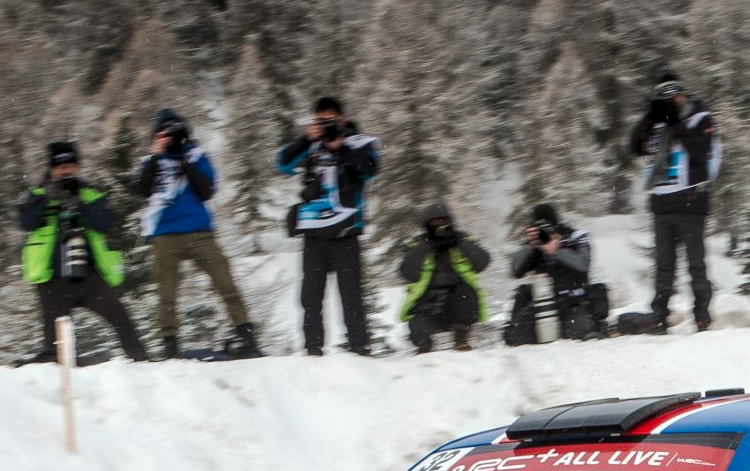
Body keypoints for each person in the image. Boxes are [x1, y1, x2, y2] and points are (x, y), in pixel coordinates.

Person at [134, 108, 260, 359]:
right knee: (165, 293)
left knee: (226, 283)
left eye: (175, 133)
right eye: (165, 134)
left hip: (200, 232)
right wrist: (158, 156)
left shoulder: (197, 156)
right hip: (165, 233)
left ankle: (246, 336)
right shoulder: (150, 162)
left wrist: (184, 160)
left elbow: (206, 191)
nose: (171, 138)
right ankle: (170, 345)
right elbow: (140, 189)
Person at [18, 142, 148, 363]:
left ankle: (142, 361)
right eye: (60, 167)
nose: (66, 170)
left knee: (120, 316)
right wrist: (48, 199)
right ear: (51, 169)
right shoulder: (38, 194)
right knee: (56, 339)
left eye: (70, 165)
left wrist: (80, 204)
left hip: (89, 277)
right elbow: (27, 222)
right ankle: (60, 374)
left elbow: (104, 223)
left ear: (78, 168)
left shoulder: (91, 193)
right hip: (54, 279)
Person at [277, 96, 380, 357]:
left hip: (346, 232)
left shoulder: (358, 143)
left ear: (343, 119)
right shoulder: (312, 146)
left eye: (331, 120)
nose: (327, 126)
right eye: (321, 121)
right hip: (314, 234)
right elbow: (282, 164)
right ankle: (313, 349)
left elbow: (370, 170)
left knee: (351, 295)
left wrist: (341, 147)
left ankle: (360, 348)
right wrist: (307, 139)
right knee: (310, 297)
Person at [628, 73, 722, 333]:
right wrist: (650, 115)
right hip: (661, 203)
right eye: (665, 97)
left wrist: (676, 122)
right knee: (664, 266)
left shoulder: (700, 117)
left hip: (691, 200)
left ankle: (702, 317)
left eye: (675, 94)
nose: (672, 100)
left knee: (696, 263)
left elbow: (701, 153)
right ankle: (659, 316)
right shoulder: (655, 123)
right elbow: (634, 147)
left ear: (683, 93)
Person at [399, 202, 491, 352]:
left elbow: (482, 262)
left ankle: (461, 336)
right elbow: (408, 272)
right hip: (428, 303)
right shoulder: (416, 244)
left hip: (458, 302)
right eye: (432, 223)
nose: (437, 226)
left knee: (464, 294)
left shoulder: (463, 239)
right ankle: (427, 346)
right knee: (418, 329)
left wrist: (458, 242)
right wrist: (427, 244)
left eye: (441, 221)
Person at [509, 203, 599, 341]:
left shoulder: (575, 236)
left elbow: (583, 264)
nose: (545, 232)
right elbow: (516, 271)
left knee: (580, 333)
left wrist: (556, 250)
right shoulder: (534, 243)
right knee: (517, 336)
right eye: (540, 227)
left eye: (548, 226)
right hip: (543, 303)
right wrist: (531, 246)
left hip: (574, 301)